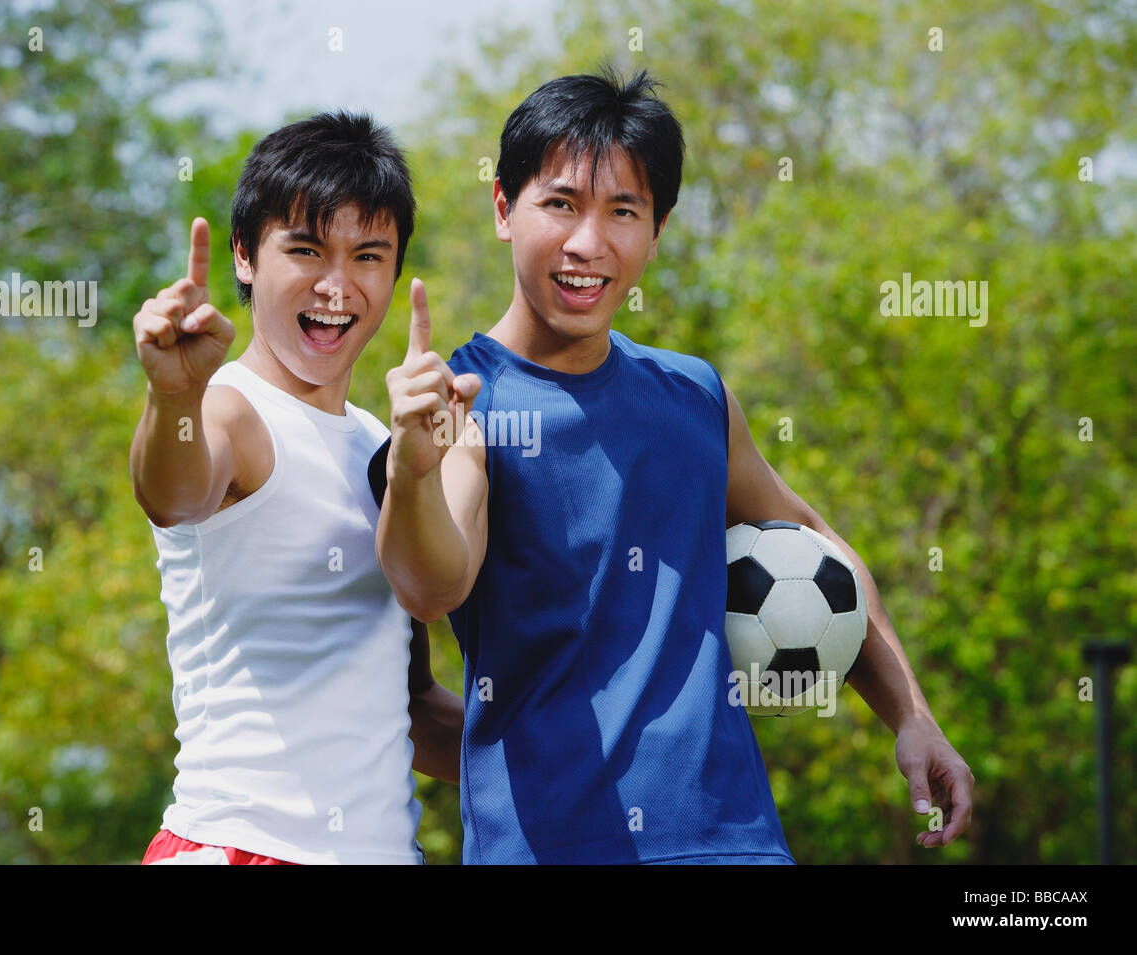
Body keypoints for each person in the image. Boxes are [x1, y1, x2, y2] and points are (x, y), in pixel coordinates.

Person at [375, 69, 974, 864]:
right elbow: (433, 583)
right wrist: (415, 469)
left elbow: (812, 543)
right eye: (560, 203)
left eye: (623, 211)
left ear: (656, 231)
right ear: (502, 208)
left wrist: (911, 714)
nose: (589, 243)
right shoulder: (463, 405)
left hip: (738, 844)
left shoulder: (696, 396)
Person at [129, 111, 461, 865]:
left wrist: (583, 738)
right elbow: (172, 494)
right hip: (240, 846)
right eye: (306, 249)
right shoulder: (229, 407)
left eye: (368, 256)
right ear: (245, 257)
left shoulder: (387, 444)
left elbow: (410, 711)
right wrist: (173, 399)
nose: (336, 286)